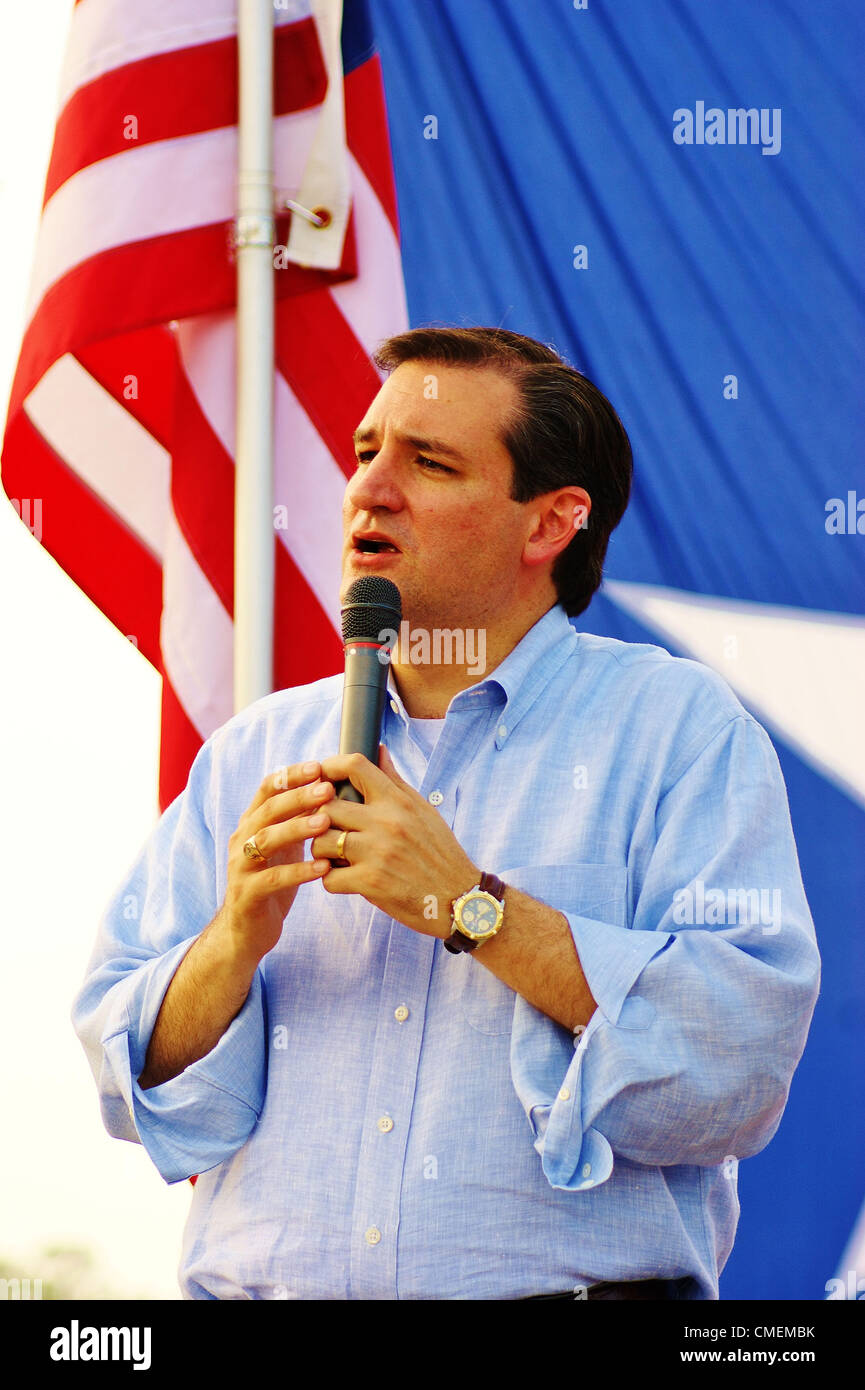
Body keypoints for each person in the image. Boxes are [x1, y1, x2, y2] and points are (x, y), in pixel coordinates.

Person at [72, 327, 820, 1301]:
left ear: (550, 523)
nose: (368, 490)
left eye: (427, 462)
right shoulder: (255, 753)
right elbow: (122, 1078)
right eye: (364, 453)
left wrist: (472, 908)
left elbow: (739, 1059)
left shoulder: (676, 731)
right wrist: (231, 941)